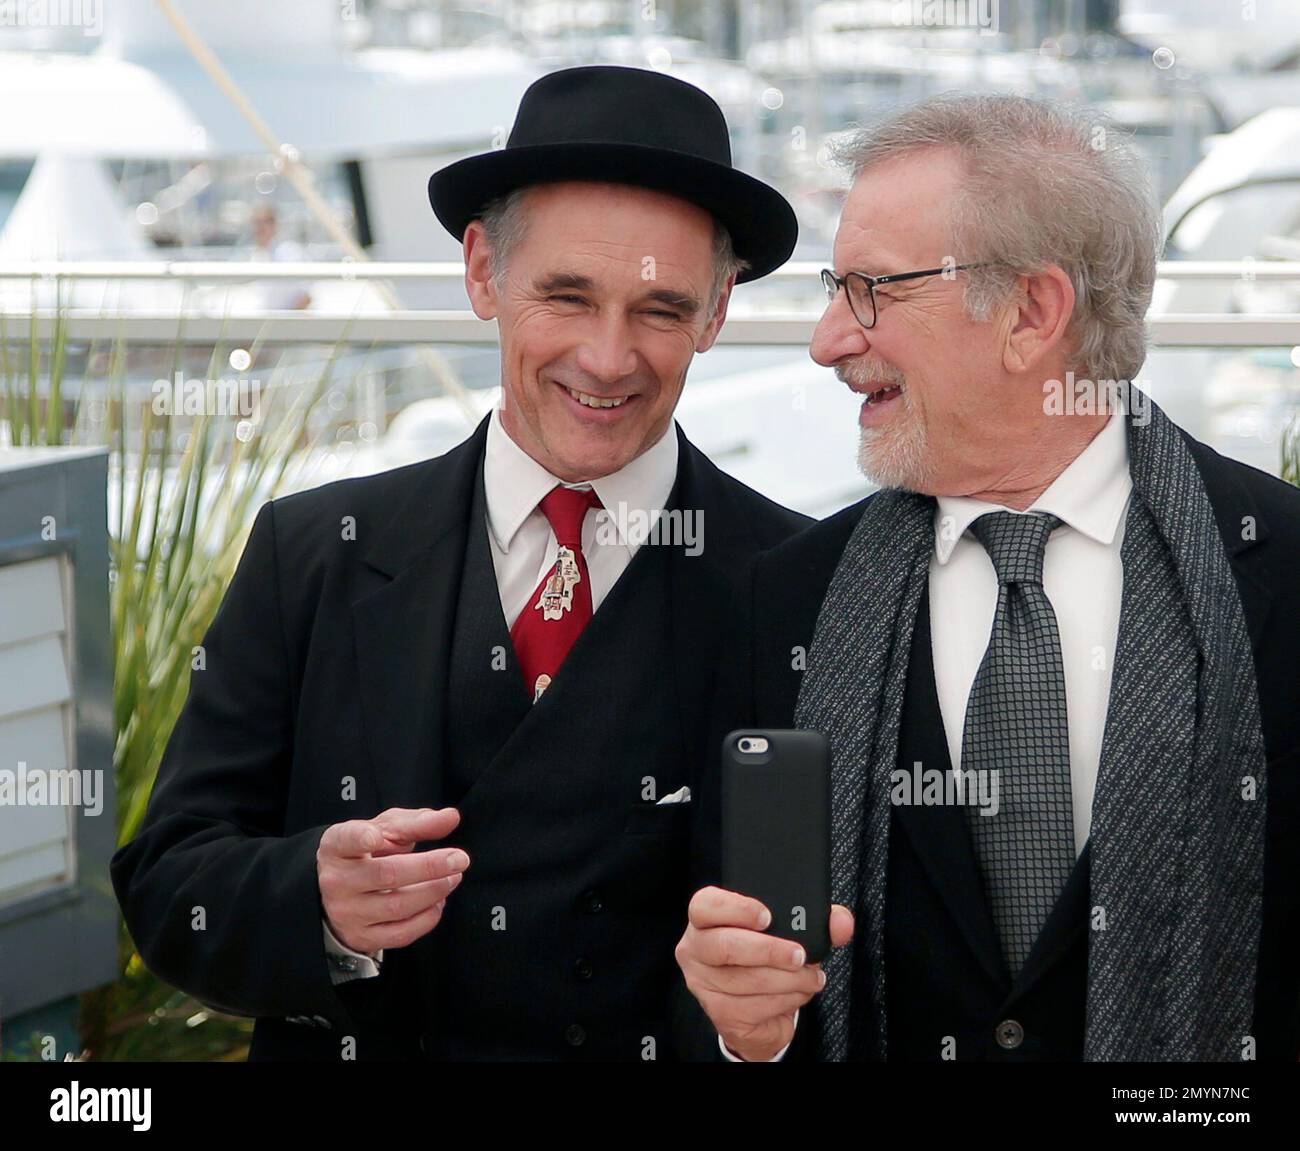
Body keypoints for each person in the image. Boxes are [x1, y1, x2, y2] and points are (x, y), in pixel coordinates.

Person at [111, 65, 805, 1061]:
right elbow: (168, 887)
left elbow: (857, 944)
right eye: (566, 294)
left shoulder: (802, 584)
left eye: (658, 308)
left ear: (718, 308)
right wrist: (317, 901)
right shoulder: (307, 554)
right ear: (482, 271)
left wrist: (753, 1031)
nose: (608, 359)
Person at [678, 93, 1300, 1062]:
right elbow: (730, 972)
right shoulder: (787, 599)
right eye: (835, 290)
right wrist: (741, 1032)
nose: (828, 339)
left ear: (1031, 311)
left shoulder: (1283, 571)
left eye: (872, 290)